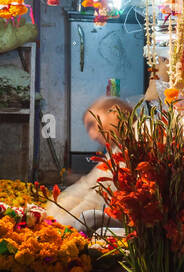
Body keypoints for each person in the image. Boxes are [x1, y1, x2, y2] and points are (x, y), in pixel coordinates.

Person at [43, 95, 134, 232]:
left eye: (92, 125)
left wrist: (57, 224)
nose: (92, 135)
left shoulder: (134, 143)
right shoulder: (116, 148)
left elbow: (96, 199)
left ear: (115, 112)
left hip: (133, 228)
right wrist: (48, 214)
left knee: (87, 218)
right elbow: (85, 186)